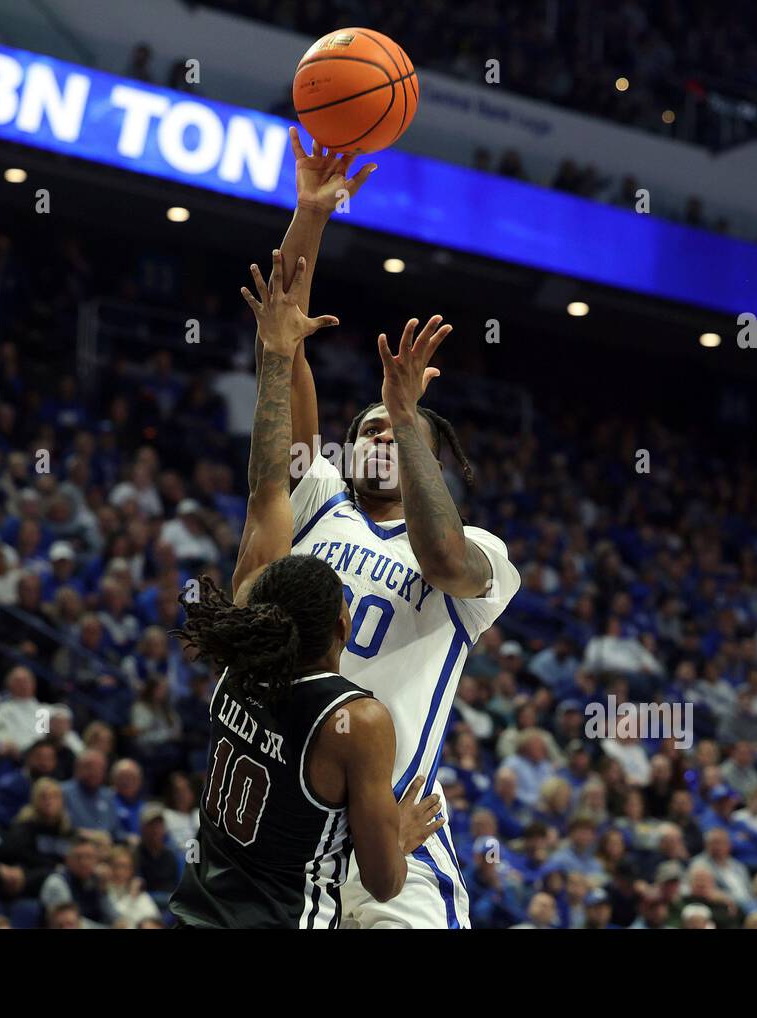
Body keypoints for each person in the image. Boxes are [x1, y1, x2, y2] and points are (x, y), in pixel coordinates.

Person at [270, 129, 521, 927]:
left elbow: (441, 554)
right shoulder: (315, 499)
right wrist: (312, 213)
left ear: (435, 463)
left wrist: (410, 415)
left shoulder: (482, 555)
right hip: (287, 821)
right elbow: (283, 342)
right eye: (372, 425)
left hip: (397, 832)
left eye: (401, 430)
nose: (381, 431)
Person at [168, 250, 442, 928]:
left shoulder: (239, 659)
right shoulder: (358, 722)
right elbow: (382, 882)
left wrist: (276, 353)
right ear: (341, 632)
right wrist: (400, 836)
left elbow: (265, 490)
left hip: (195, 912)